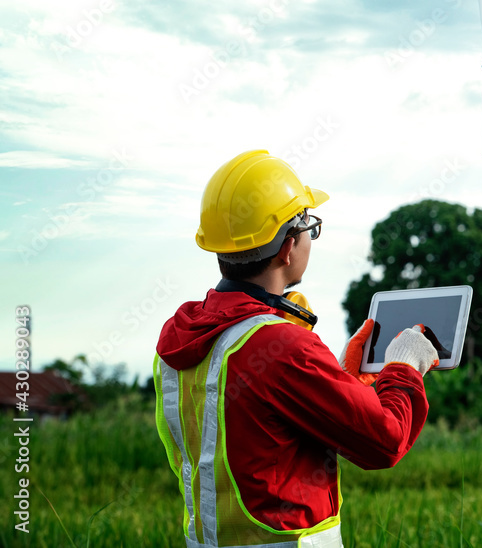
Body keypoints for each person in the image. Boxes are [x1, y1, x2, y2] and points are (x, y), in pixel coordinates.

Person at [153, 149, 439, 548]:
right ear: (288, 247)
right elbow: (385, 442)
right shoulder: (279, 343)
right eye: (310, 227)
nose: (311, 238)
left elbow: (260, 430)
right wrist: (405, 366)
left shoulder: (185, 334)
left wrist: (340, 379)